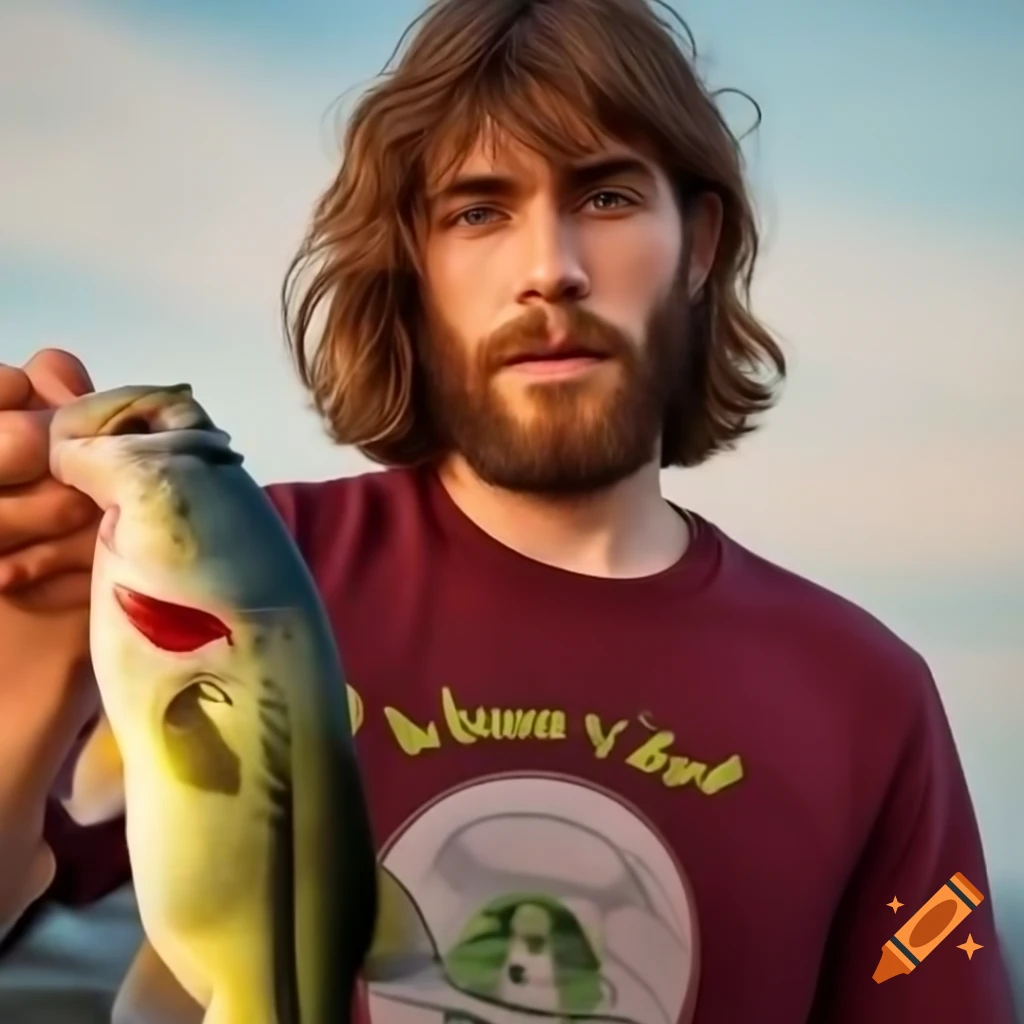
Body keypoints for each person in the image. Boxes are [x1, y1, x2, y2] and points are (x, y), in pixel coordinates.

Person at [0, 0, 1016, 1021]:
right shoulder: (229, 568)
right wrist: (32, 661)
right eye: (478, 211)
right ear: (417, 267)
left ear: (698, 244)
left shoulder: (861, 695)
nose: (550, 270)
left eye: (608, 196)